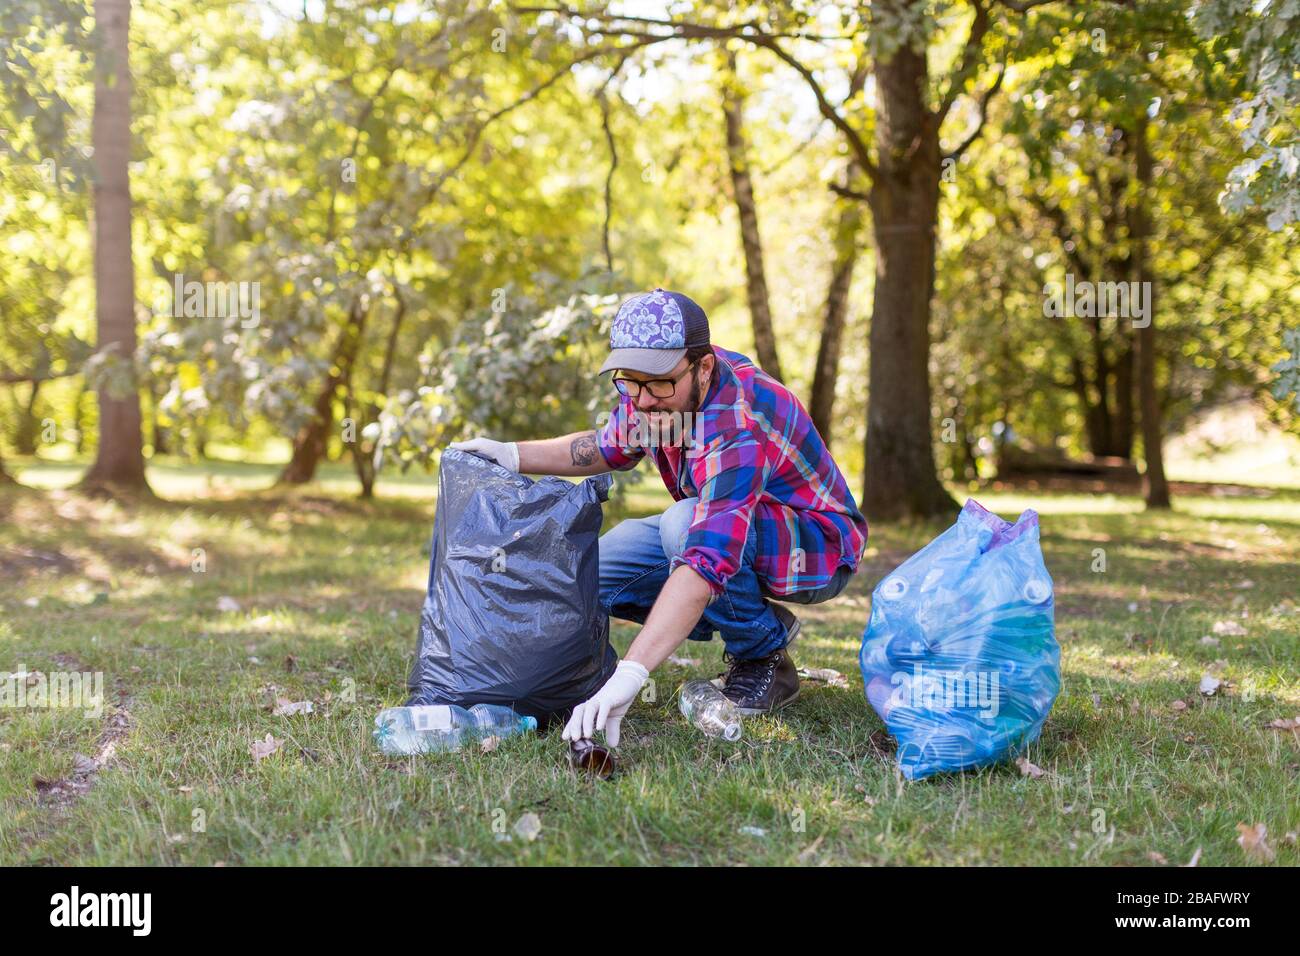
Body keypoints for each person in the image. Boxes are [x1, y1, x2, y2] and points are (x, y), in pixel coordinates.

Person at [452, 288, 867, 746]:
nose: (644, 400)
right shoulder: (660, 390)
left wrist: (632, 674)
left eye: (658, 383)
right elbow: (603, 447)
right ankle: (751, 620)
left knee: (684, 526)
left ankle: (763, 655)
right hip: (726, 530)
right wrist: (509, 454)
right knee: (589, 574)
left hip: (816, 548)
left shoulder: (735, 422)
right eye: (630, 382)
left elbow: (706, 556)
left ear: (703, 366)